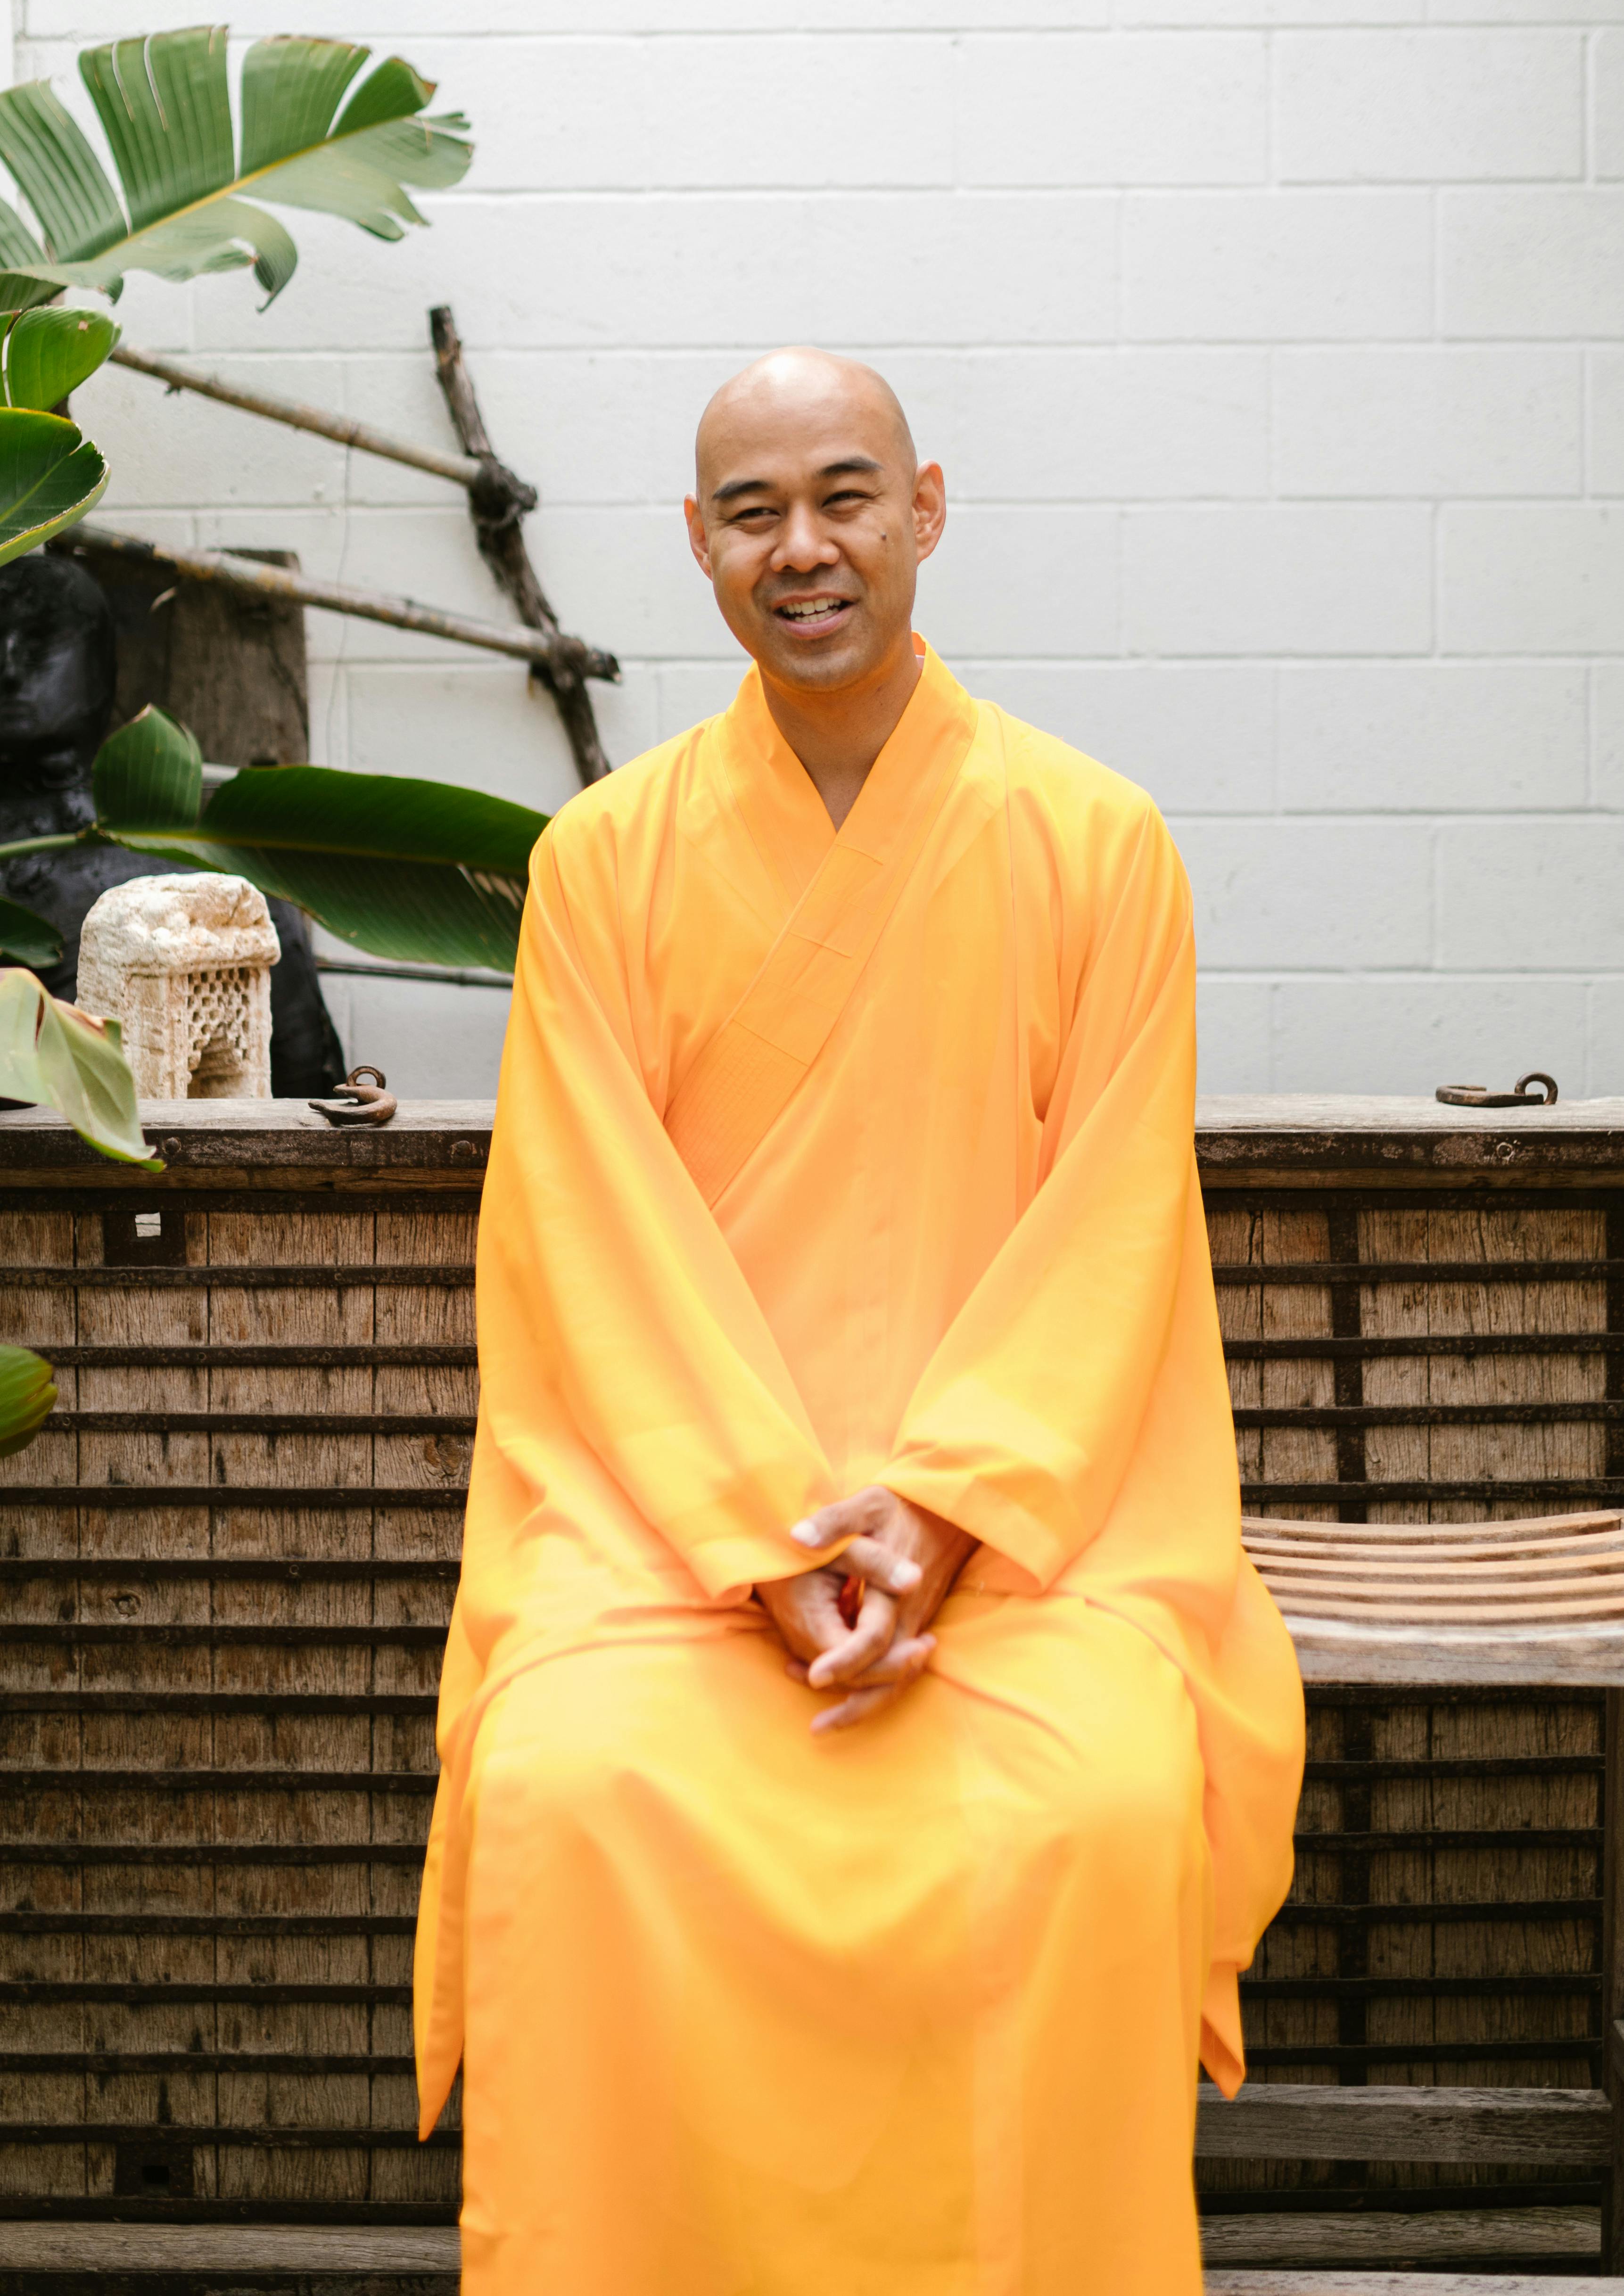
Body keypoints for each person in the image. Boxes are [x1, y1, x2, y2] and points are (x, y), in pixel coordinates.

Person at [414, 349, 1304, 2295]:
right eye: (753, 511)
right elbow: (590, 1234)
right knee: (577, 1784)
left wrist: (942, 1509)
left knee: (1099, 1799)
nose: (802, 547)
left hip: (1016, 1546)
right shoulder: (603, 863)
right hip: (675, 1539)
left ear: (925, 505)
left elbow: (1114, 1222)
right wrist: (760, 1541)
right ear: (697, 545)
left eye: (844, 494)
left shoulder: (1097, 842)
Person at [0, 551, 346, 1095]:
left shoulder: (210, 882)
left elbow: (311, 1095)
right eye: (0, 638)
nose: (9, 662)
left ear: (103, 666)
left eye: (38, 641)